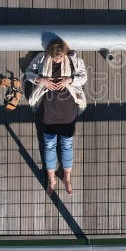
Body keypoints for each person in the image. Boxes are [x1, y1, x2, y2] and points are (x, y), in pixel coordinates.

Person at [25, 39, 88, 195]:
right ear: (50, 53)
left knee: (67, 143)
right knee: (49, 144)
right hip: (48, 106)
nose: (56, 60)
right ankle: (51, 177)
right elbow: (28, 73)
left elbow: (83, 77)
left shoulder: (74, 59)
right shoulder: (41, 58)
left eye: (59, 58)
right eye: (54, 58)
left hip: (67, 106)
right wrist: (41, 80)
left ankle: (66, 176)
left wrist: (69, 80)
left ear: (65, 53)